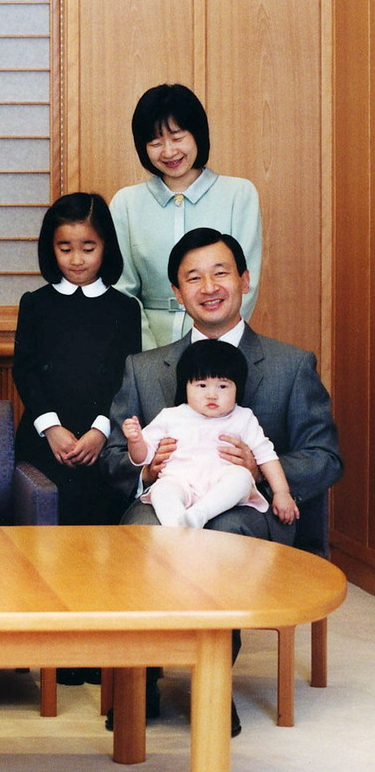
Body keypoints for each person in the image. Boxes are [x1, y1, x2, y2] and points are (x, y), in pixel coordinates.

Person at [100, 227, 342, 736]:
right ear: (177, 293)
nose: (209, 286)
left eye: (221, 272)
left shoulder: (291, 365)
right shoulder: (145, 369)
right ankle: (140, 674)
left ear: (244, 279)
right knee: (146, 527)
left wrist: (258, 473)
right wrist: (147, 467)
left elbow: (325, 457)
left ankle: (211, 681)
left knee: (223, 532)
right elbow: (116, 458)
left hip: (247, 515)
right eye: (193, 277)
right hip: (167, 497)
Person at [13, 193, 140, 527]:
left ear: (106, 247)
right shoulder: (35, 304)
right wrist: (51, 427)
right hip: (44, 440)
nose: (77, 260)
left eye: (88, 248)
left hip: (104, 441)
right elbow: (25, 370)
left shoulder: (124, 309)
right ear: (50, 248)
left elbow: (125, 378)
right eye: (65, 249)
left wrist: (101, 430)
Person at [110, 84, 263, 350]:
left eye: (178, 137)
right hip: (145, 348)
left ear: (197, 134)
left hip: (223, 346)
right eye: (155, 142)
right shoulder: (126, 203)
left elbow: (244, 284)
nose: (168, 152)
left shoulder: (240, 194)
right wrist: (150, 356)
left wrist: (216, 342)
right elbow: (122, 291)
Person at [124, 339, 298, 529]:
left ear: (237, 388)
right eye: (202, 385)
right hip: (180, 481)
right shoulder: (171, 416)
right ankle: (177, 528)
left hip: (222, 484)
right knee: (162, 491)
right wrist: (135, 441)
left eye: (222, 386)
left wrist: (282, 492)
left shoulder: (242, 417)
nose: (212, 395)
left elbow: (267, 456)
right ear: (186, 387)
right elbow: (142, 457)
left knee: (240, 478)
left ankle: (199, 514)